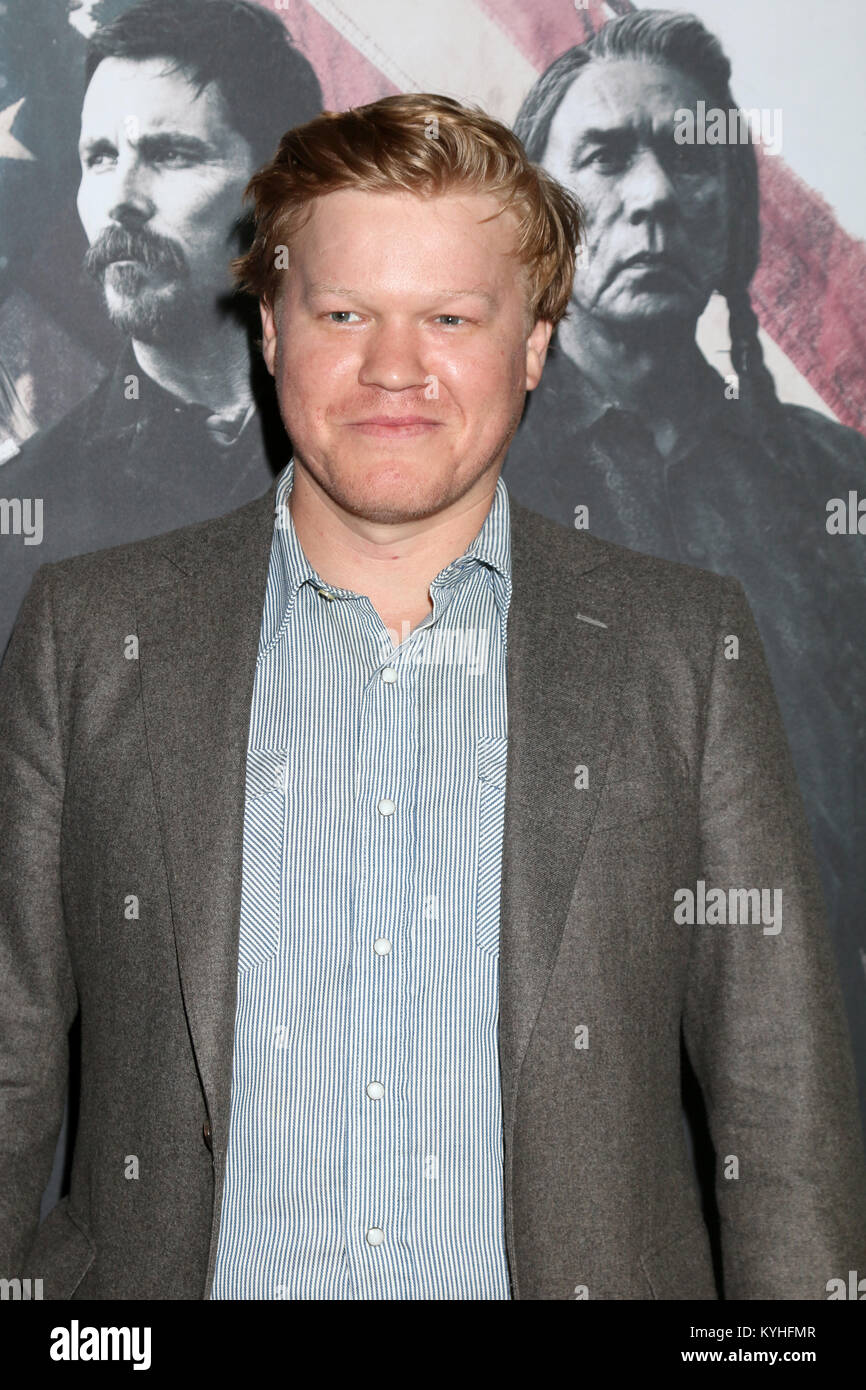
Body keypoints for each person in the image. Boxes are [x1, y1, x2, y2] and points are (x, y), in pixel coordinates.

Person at [1, 91, 863, 1302]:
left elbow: (781, 1114)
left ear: (532, 345)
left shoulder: (681, 646)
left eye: (450, 316)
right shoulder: (88, 635)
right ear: (268, 328)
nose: (392, 369)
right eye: (344, 311)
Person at [501, 9, 866, 1101]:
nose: (653, 197)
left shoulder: (833, 486)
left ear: (731, 209)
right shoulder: (439, 485)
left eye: (691, 158)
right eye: (605, 159)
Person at [0, 0, 322, 655]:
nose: (120, 199)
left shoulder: (428, 453)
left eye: (170, 154)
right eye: (99, 157)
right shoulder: (26, 516)